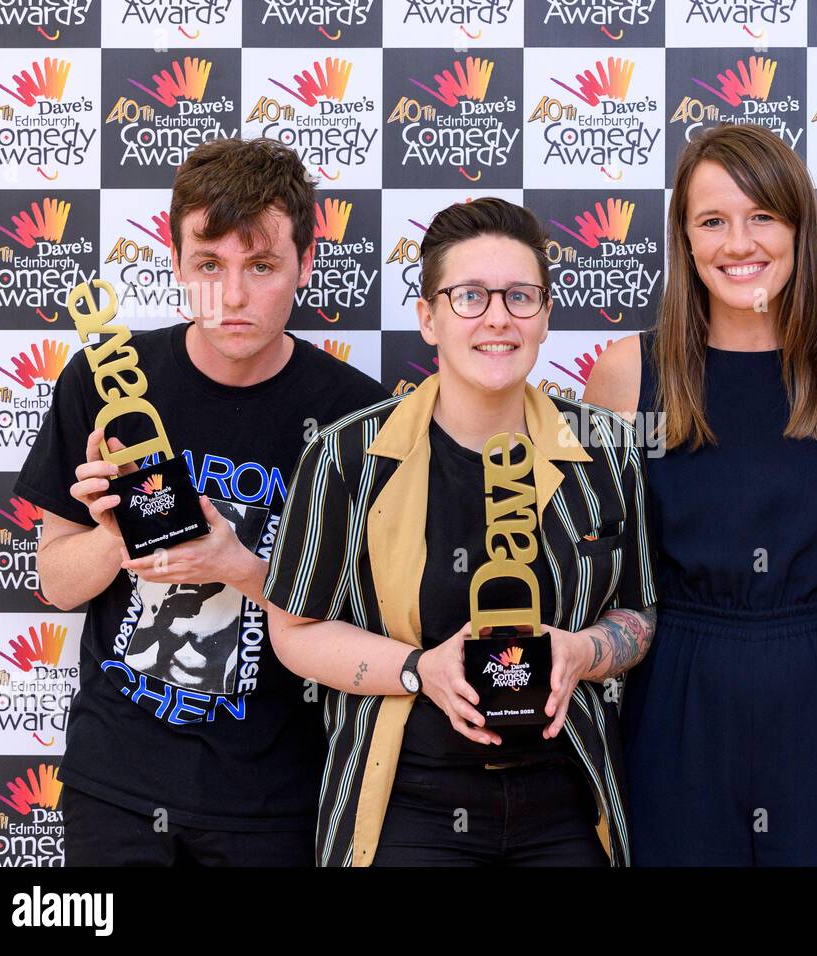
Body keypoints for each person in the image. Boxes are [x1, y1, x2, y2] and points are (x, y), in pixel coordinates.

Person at [16, 137, 392, 866]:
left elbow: (373, 618)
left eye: (262, 266)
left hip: (276, 797)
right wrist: (117, 533)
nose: (234, 297)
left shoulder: (359, 419)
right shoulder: (105, 382)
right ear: (175, 256)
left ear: (306, 264)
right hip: (115, 783)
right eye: (209, 266)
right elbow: (57, 584)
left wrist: (240, 564)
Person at [262, 197, 657, 867]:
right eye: (470, 296)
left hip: (566, 805)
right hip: (407, 808)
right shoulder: (347, 455)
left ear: (545, 315)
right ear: (428, 318)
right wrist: (420, 670)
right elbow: (293, 632)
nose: (497, 317)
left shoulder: (607, 449)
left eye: (520, 296)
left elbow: (639, 613)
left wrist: (583, 652)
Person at [583, 124, 817, 865]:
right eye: (712, 220)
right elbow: (597, 565)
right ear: (684, 238)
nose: (739, 243)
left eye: (764, 216)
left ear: (802, 226)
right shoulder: (628, 371)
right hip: (676, 696)